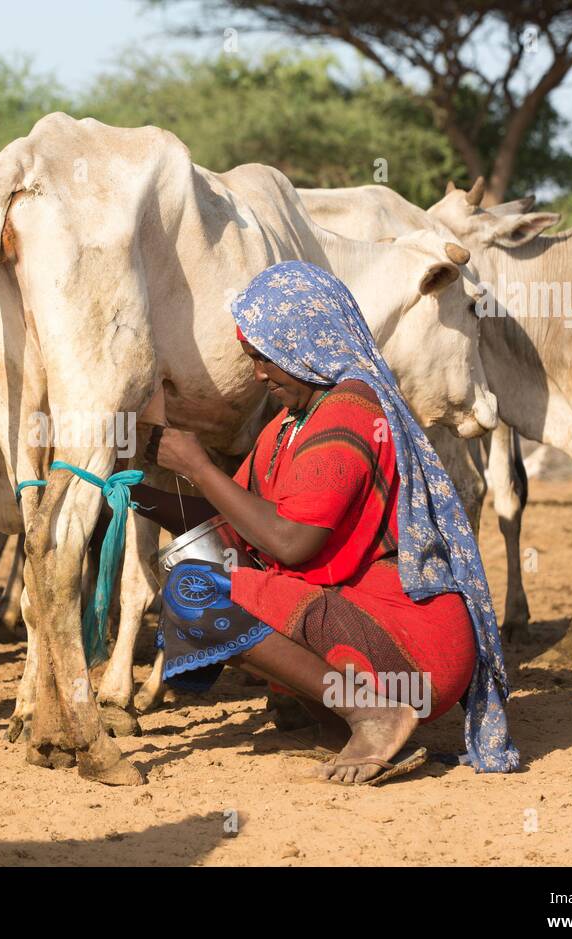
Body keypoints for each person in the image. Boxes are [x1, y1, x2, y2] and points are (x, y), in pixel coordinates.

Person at [132, 260, 519, 784]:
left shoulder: (350, 413)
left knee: (192, 592)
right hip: (373, 630)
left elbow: (288, 542)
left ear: (305, 344)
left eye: (266, 359)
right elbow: (231, 520)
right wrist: (126, 491)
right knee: (209, 573)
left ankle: (375, 712)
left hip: (416, 644)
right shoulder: (293, 423)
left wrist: (198, 465)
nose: (259, 375)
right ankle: (342, 705)